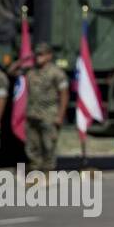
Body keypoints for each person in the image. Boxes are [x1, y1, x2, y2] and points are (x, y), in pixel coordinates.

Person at [21, 42, 68, 173]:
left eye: (41, 54)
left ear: (49, 55)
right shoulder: (31, 71)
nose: (38, 57)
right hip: (32, 114)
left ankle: (48, 173)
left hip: (49, 114)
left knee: (49, 146)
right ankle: (35, 173)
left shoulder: (56, 73)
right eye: (37, 54)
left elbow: (64, 95)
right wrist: (23, 59)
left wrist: (60, 116)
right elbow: (11, 71)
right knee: (32, 147)